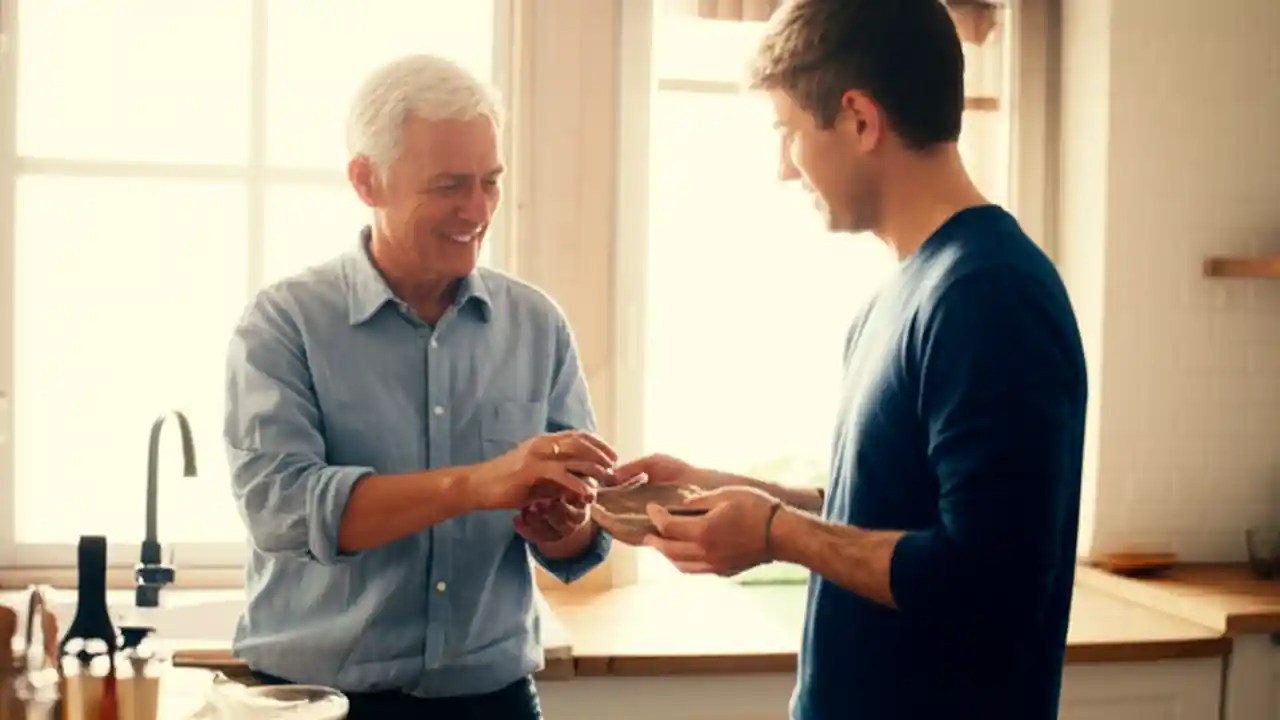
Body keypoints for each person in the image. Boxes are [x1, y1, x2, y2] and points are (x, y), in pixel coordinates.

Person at [622, 1, 1088, 719]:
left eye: (789, 133)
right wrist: (729, 489)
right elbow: (885, 508)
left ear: (860, 120)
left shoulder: (990, 295)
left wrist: (775, 533)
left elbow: (985, 576)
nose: (784, 169)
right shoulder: (906, 291)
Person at [223, 54, 616, 719]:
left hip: (494, 702)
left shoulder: (536, 323)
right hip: (315, 703)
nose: (477, 209)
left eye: (490, 182)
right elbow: (281, 507)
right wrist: (479, 484)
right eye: (448, 185)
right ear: (365, 180)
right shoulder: (285, 322)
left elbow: (579, 540)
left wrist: (565, 524)